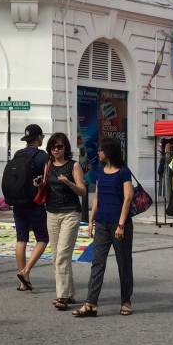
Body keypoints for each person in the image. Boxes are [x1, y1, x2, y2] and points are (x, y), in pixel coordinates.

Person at [73, 137, 134, 318]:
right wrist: (91, 221)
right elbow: (97, 197)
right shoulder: (100, 171)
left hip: (119, 224)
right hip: (101, 222)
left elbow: (128, 198)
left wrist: (121, 224)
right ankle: (91, 303)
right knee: (97, 263)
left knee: (123, 263)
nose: (98, 152)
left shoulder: (124, 172)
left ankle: (126, 301)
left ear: (109, 151)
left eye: (100, 150)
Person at [44, 132, 87, 309]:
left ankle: (61, 296)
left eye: (60, 147)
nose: (56, 150)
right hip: (52, 213)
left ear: (66, 148)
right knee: (57, 256)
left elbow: (83, 192)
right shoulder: (48, 166)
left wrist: (69, 183)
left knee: (62, 254)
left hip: (70, 213)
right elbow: (46, 187)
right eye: (53, 147)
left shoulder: (73, 165)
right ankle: (69, 294)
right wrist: (39, 184)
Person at [11, 124, 50, 292]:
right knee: (42, 238)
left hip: (18, 202)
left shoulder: (18, 154)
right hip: (35, 202)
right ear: (39, 137)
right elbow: (48, 178)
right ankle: (26, 271)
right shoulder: (42, 156)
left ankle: (23, 280)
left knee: (21, 240)